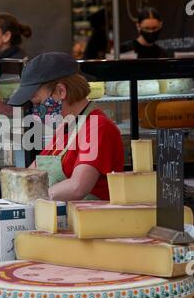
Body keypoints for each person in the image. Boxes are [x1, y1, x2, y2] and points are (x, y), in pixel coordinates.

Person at [8, 52, 124, 201]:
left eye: (38, 103)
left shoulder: (98, 127)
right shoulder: (66, 127)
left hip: (92, 221)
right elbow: (33, 172)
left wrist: (32, 196)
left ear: (61, 91)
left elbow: (78, 187)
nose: (36, 111)